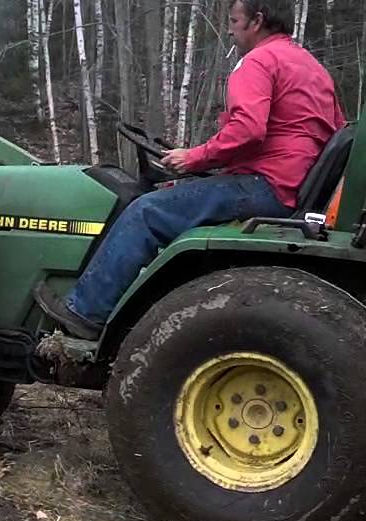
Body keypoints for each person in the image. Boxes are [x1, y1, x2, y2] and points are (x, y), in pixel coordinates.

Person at [33, 0, 346, 341]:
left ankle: (85, 312)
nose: (228, 28)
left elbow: (248, 130)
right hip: (291, 186)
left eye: (233, 20)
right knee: (169, 201)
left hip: (265, 186)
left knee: (146, 211)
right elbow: (332, 129)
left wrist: (194, 158)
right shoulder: (312, 67)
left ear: (257, 21)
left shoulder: (257, 62)